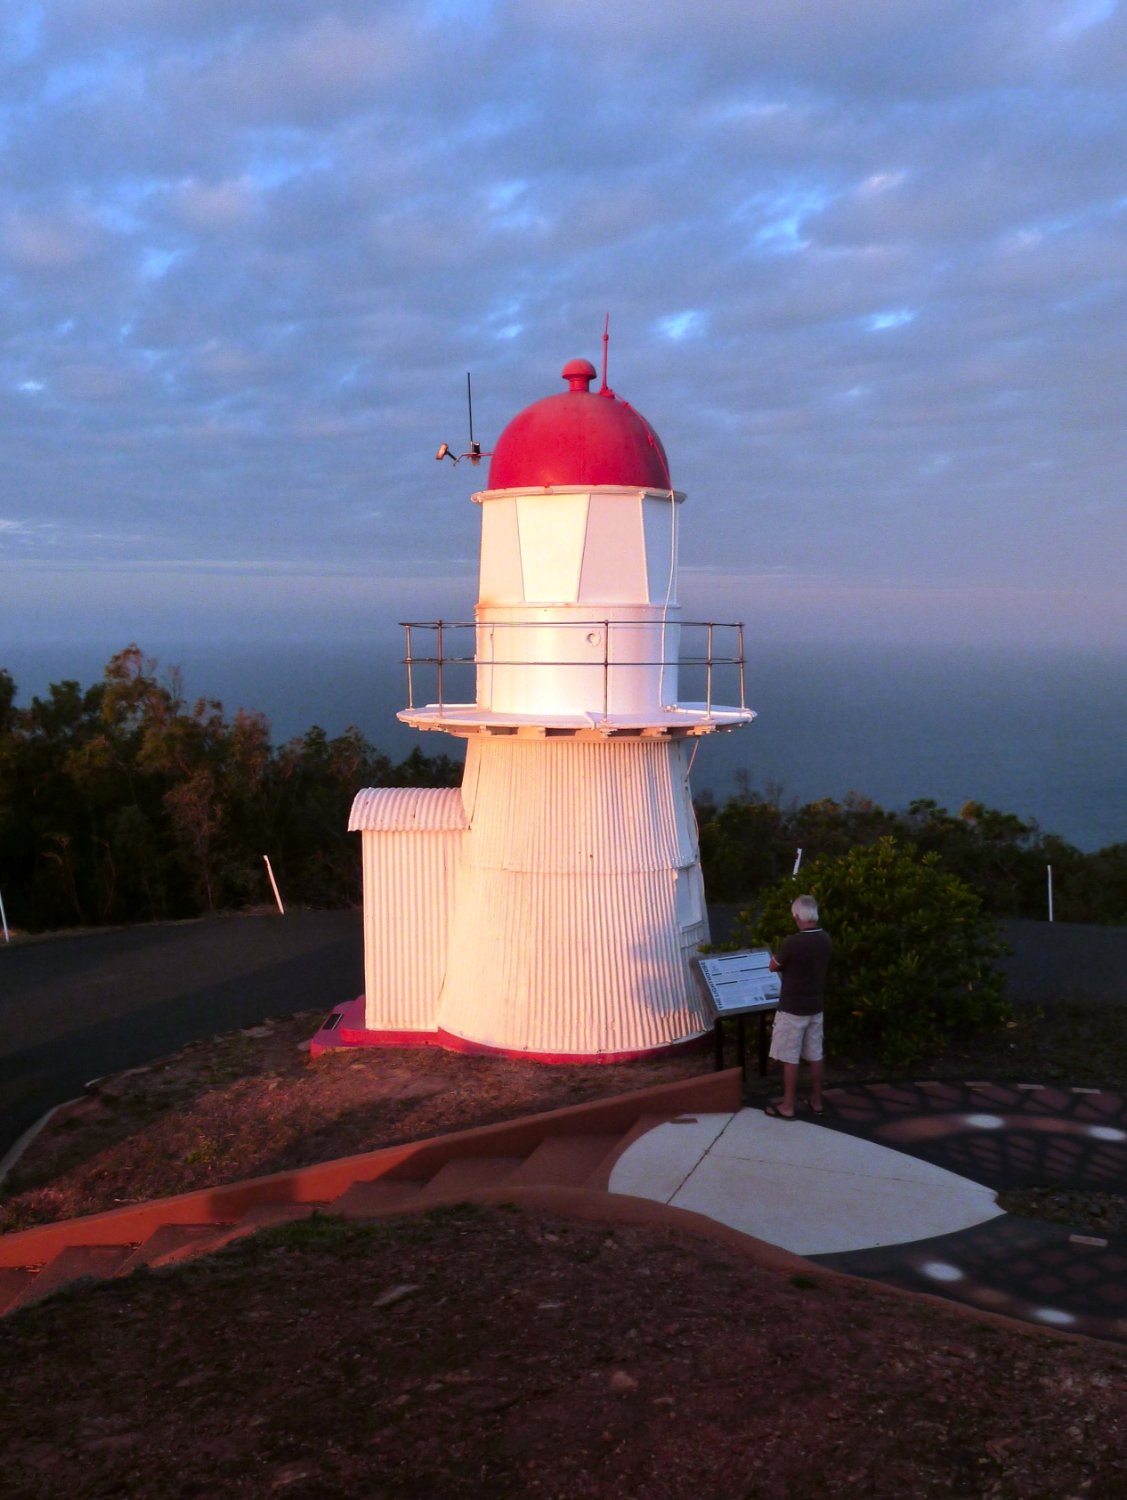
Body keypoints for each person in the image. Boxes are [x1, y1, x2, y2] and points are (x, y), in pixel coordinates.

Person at [763, 894, 832, 1120]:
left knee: (790, 1056)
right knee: (815, 1054)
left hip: (792, 1007)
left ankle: (787, 1106)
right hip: (815, 1005)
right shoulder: (825, 939)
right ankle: (817, 1101)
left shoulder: (793, 942)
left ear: (797, 916)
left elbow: (774, 966)